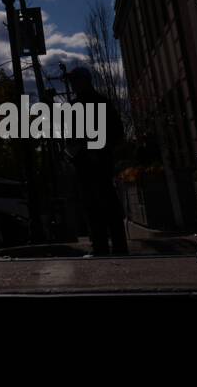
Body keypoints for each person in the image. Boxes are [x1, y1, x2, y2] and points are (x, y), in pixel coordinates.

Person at [66, 66, 128, 255]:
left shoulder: (99, 104)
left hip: (98, 161)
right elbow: (71, 137)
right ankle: (105, 245)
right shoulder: (80, 105)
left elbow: (116, 133)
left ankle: (112, 245)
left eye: (75, 81)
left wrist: (94, 147)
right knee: (94, 204)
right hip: (86, 162)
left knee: (103, 202)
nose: (73, 85)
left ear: (85, 81)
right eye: (72, 81)